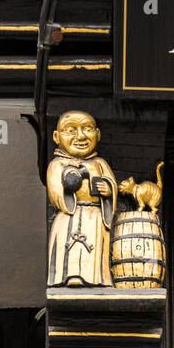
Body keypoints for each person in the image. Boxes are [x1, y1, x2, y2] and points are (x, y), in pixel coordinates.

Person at [46, 110, 117, 286]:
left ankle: (98, 278)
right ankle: (68, 276)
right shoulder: (57, 164)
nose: (80, 136)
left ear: (98, 134)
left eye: (87, 129)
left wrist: (107, 190)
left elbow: (112, 185)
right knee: (69, 245)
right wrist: (70, 185)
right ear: (56, 136)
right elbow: (55, 192)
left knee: (96, 248)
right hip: (69, 215)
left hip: (95, 216)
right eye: (70, 130)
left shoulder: (100, 164)